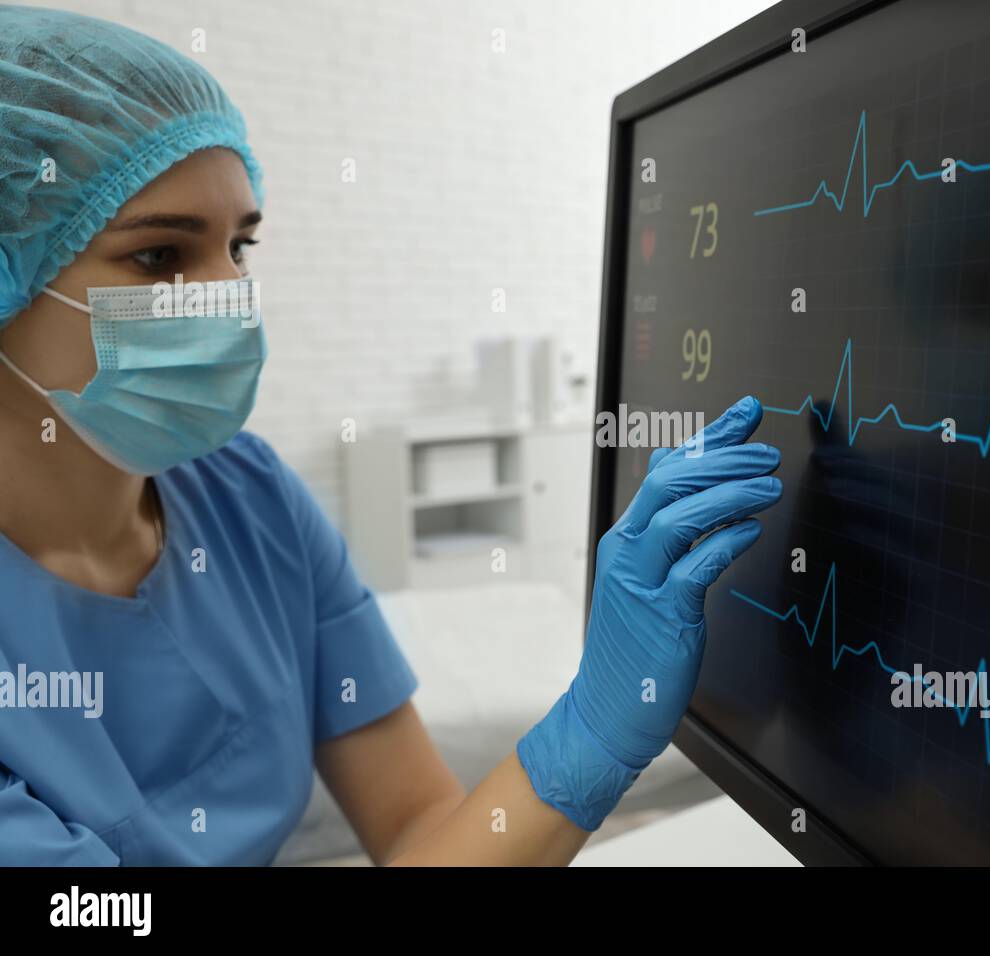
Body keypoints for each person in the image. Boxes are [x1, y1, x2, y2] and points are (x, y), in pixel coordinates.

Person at [0, 6, 782, 865]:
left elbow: (418, 831)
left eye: (240, 247)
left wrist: (591, 732)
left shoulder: (246, 497)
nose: (229, 295)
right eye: (158, 257)